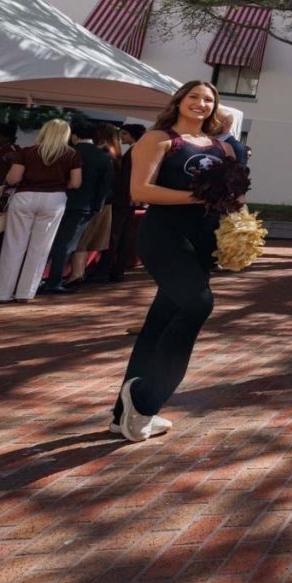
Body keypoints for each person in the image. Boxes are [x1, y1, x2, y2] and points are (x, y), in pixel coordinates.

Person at [112, 81, 242, 442]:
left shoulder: (221, 148)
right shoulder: (159, 139)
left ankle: (123, 415)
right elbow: (140, 190)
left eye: (209, 99)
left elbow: (233, 194)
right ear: (180, 101)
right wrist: (199, 197)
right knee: (199, 303)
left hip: (202, 241)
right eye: (195, 97)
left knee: (161, 321)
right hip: (164, 235)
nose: (201, 103)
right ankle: (145, 397)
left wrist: (238, 224)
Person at [0, 119, 81, 303]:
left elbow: (13, 178)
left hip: (25, 196)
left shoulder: (27, 152)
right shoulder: (72, 155)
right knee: (40, 247)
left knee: (13, 245)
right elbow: (76, 183)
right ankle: (25, 292)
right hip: (55, 198)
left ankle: (0, 293)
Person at [39, 119, 114, 294]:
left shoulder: (65, 152)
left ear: (74, 135)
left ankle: (42, 278)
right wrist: (97, 206)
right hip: (83, 206)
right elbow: (105, 186)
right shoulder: (103, 156)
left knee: (46, 241)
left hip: (55, 200)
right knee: (67, 244)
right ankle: (53, 280)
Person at [65, 123, 123, 288]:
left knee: (81, 239)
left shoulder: (98, 153)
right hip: (103, 202)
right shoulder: (112, 154)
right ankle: (79, 273)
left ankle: (77, 273)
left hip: (90, 202)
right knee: (86, 239)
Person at [99, 123, 146, 283]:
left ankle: (108, 270)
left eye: (124, 134)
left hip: (123, 199)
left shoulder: (135, 151)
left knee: (116, 235)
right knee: (122, 235)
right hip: (127, 199)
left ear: (131, 135)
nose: (122, 138)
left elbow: (129, 177)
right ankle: (116, 269)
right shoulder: (138, 150)